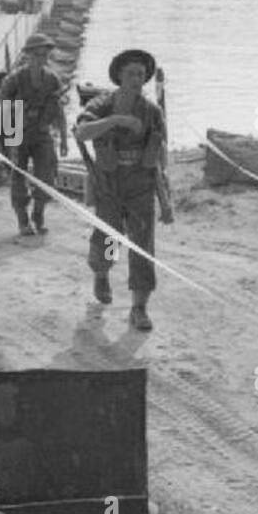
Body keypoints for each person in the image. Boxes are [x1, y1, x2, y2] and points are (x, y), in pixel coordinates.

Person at [74, 48, 172, 331]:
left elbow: (160, 156)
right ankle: (101, 274)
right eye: (130, 73)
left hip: (141, 185)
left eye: (141, 75)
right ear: (119, 76)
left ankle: (139, 308)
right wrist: (116, 121)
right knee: (106, 239)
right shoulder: (103, 105)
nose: (136, 79)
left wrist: (165, 199)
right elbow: (82, 132)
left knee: (143, 247)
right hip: (109, 184)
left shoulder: (151, 111)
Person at [0, 33, 67, 236]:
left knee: (46, 175)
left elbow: (59, 109)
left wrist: (62, 138)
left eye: (44, 55)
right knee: (18, 177)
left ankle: (38, 215)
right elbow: (1, 107)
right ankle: (22, 220)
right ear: (28, 55)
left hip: (42, 133)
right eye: (36, 54)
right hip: (17, 132)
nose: (41, 58)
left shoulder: (52, 79)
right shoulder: (15, 80)